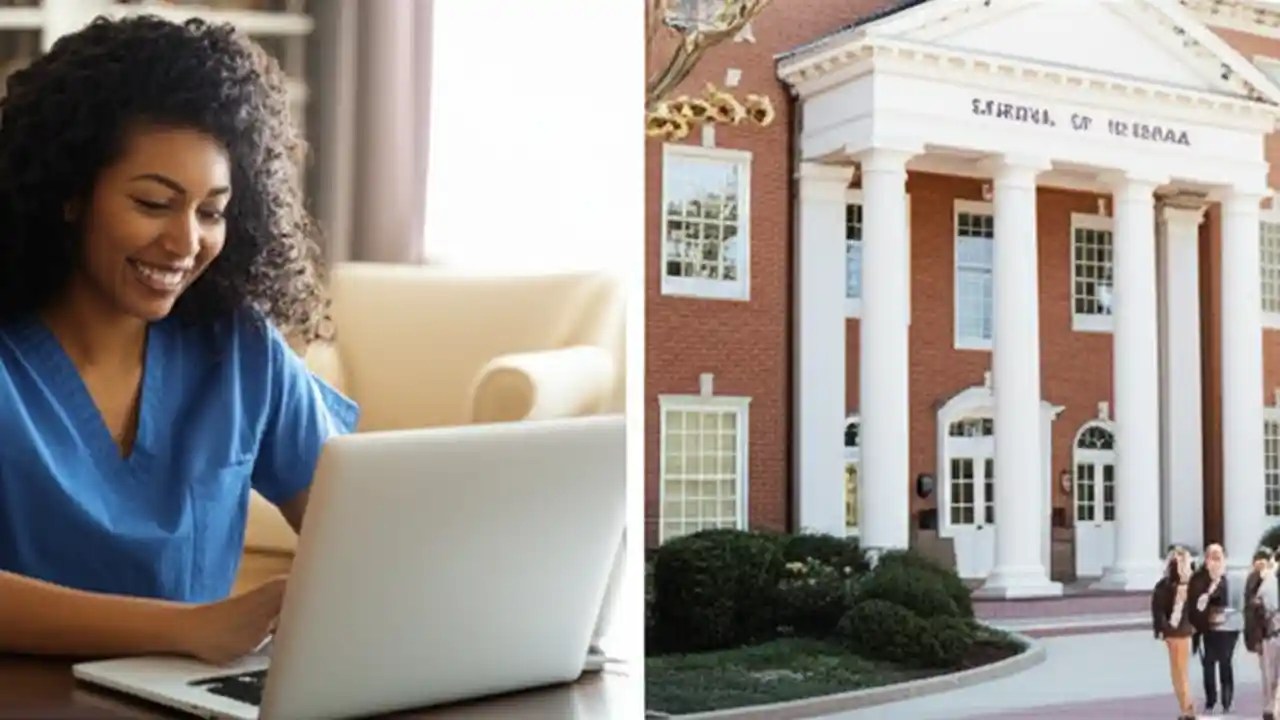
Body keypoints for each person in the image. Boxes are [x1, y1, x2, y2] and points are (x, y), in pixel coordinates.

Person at [0, 15, 357, 665]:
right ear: (71, 196)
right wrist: (184, 628)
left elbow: (363, 523)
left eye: (212, 211)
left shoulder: (239, 348)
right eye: (154, 203)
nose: (187, 242)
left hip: (185, 703)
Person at [1189, 543, 1239, 713]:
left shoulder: (1230, 579)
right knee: (1209, 664)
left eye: (1219, 556)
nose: (1216, 560)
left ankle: (1226, 700)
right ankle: (1210, 700)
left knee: (1225, 663)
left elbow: (1238, 603)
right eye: (1212, 556)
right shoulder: (1199, 579)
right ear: (1206, 559)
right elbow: (1194, 603)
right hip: (1207, 629)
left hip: (1228, 629)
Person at [1151, 546, 1200, 720]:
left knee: (1179, 672)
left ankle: (1188, 708)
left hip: (1177, 631)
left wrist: (1162, 629)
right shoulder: (1187, 585)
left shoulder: (1169, 586)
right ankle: (1186, 707)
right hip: (1182, 631)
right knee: (1179, 671)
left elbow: (1158, 610)